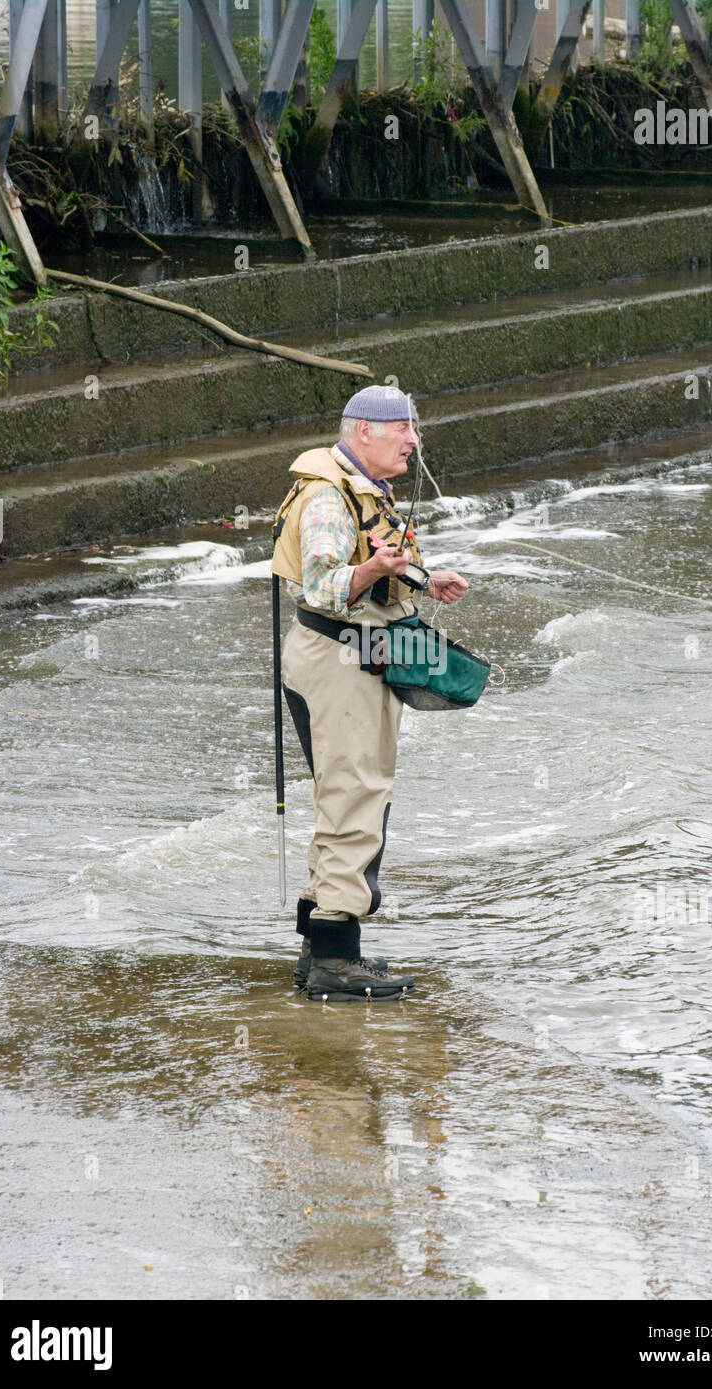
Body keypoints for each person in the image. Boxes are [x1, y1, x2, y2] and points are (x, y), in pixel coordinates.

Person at [270, 384, 468, 1001]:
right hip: (338, 659)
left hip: (353, 654)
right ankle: (335, 961)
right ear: (364, 433)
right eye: (404, 429)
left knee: (347, 795)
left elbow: (372, 560)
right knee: (356, 796)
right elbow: (323, 586)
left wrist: (421, 580)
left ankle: (320, 947)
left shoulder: (356, 483)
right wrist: (373, 572)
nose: (415, 440)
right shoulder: (330, 497)